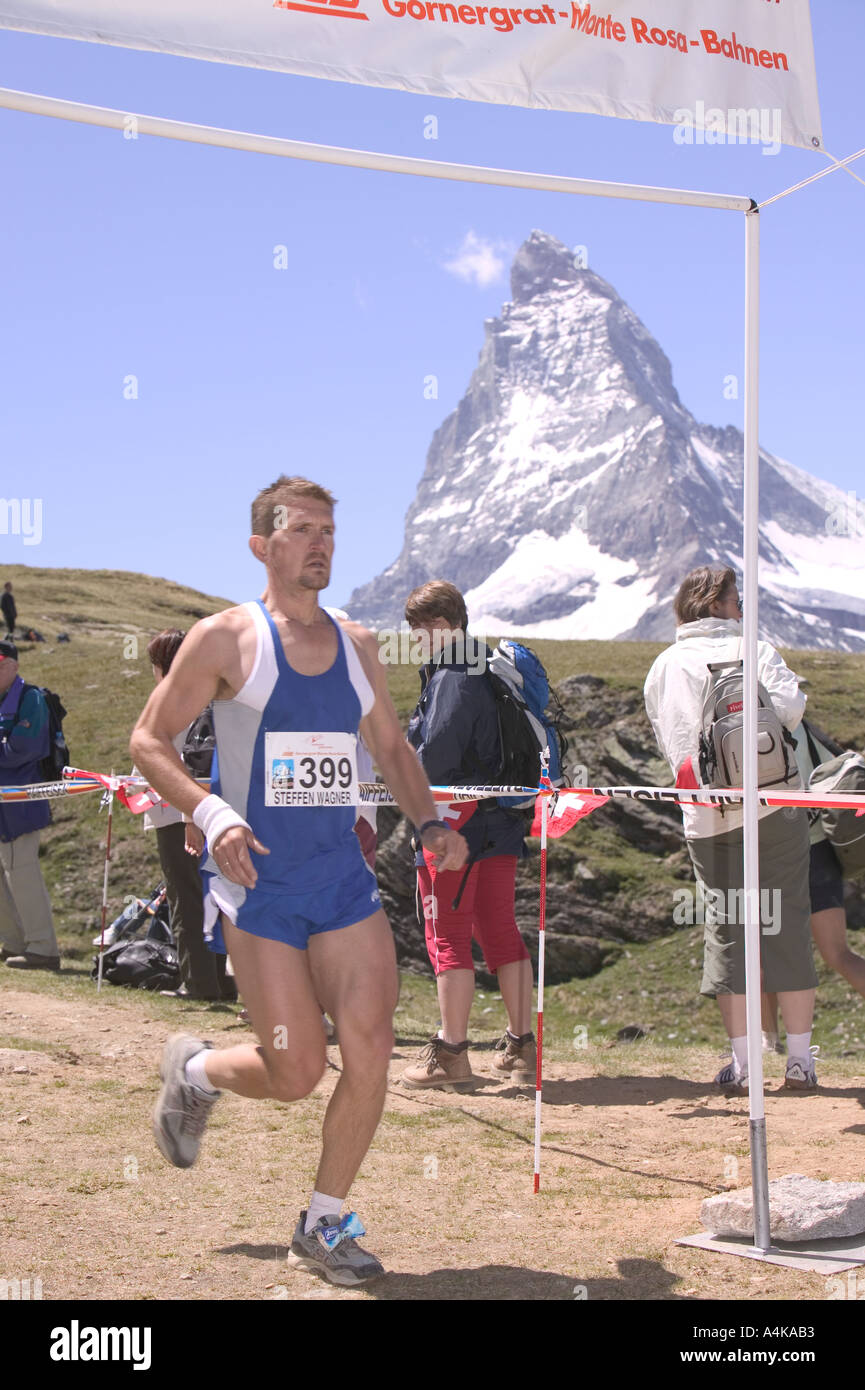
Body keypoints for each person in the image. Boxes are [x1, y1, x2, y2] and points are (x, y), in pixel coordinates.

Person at [130, 476, 467, 1286]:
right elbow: (149, 741)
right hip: (260, 888)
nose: (320, 543)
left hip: (341, 884)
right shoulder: (225, 639)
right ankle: (198, 1070)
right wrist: (214, 817)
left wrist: (428, 825)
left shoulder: (358, 645)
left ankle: (324, 1223)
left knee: (373, 1046)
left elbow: (390, 747)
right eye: (302, 530)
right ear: (262, 545)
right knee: (296, 1073)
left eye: (328, 531)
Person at [644, 566, 818, 1092]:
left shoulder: (665, 666)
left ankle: (745, 1065)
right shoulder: (755, 649)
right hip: (774, 803)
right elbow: (792, 710)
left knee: (729, 930)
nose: (741, 608)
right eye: (736, 600)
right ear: (717, 605)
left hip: (708, 816)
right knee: (786, 924)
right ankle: (800, 1062)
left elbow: (669, 741)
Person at [398, 580, 536, 1093]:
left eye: (418, 632)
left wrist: (403, 765)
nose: (415, 643)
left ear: (439, 627)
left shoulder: (453, 676)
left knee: (448, 938)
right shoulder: (487, 669)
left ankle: (452, 1053)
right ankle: (521, 1046)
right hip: (501, 822)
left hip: (456, 823)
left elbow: (436, 756)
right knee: (500, 928)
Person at [140, 629, 234, 1001]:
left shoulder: (171, 702)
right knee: (214, 898)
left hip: (177, 813)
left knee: (186, 899)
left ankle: (196, 983)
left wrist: (186, 815)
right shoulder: (208, 697)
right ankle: (221, 982)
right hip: (212, 810)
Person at [762, 719, 865, 1047]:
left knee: (766, 953)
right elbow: (842, 764)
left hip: (773, 852)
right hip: (819, 849)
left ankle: (767, 1043)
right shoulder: (800, 726)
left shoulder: (740, 730)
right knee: (837, 953)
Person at [0, 638, 61, 970]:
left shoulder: (31, 699)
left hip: (21, 804)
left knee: (22, 875)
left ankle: (43, 948)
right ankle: (14, 943)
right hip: (4, 804)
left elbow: (23, 748)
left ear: (13, 664)